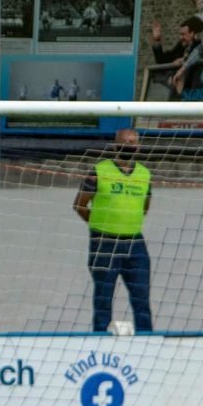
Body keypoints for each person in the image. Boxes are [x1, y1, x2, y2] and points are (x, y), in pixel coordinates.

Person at [73, 128, 153, 333]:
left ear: (139, 146)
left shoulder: (144, 174)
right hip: (105, 242)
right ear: (115, 144)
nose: (128, 145)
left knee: (141, 299)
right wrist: (102, 225)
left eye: (133, 141)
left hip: (135, 243)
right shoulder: (99, 171)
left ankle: (148, 342)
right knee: (103, 298)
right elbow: (80, 205)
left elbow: (144, 207)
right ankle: (100, 341)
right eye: (124, 141)